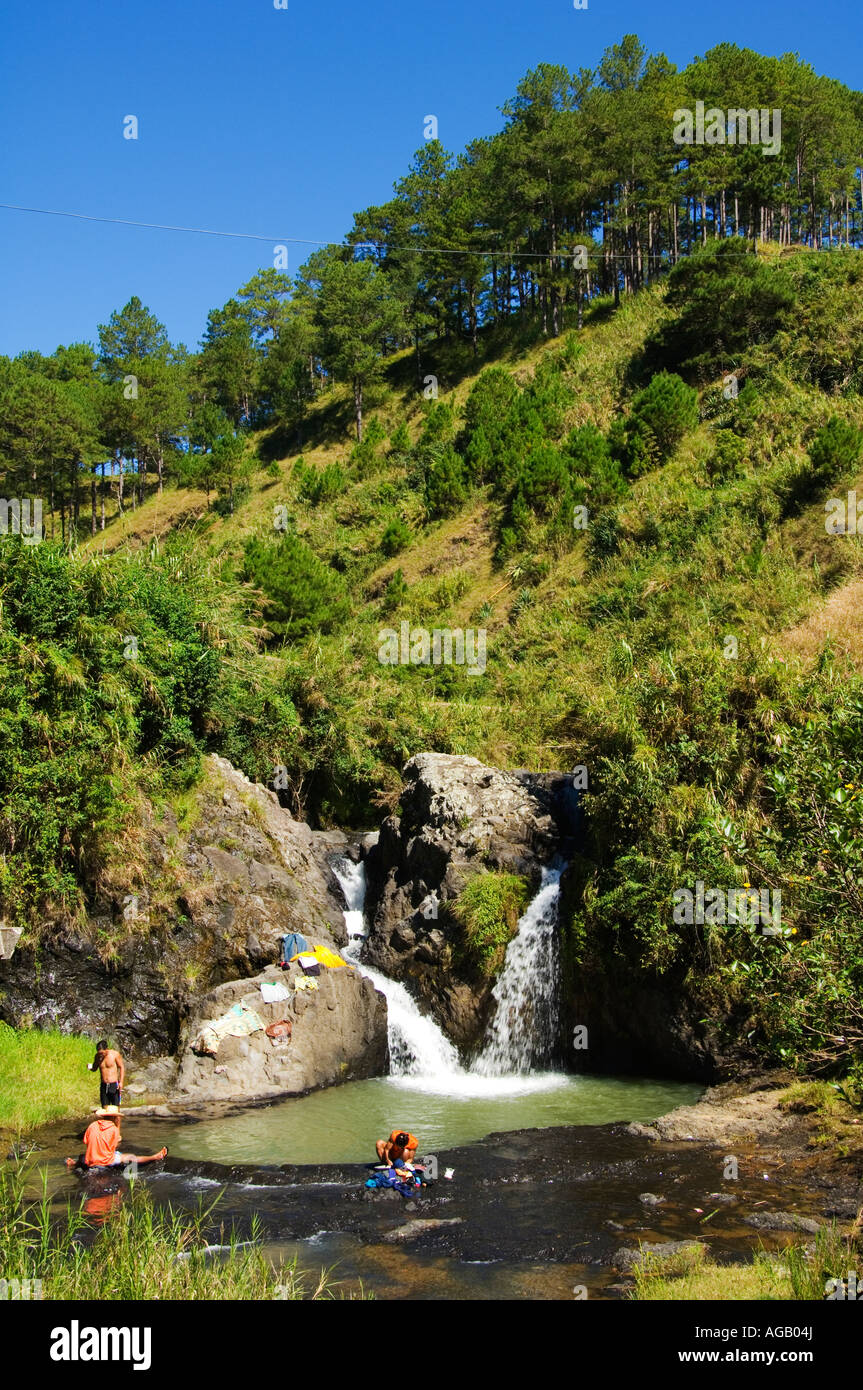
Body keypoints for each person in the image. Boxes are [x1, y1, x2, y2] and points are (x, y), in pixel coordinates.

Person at [65, 1107, 167, 1172]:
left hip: (90, 1160)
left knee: (84, 1156)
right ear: (115, 1118)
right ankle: (154, 1157)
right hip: (104, 1162)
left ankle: (74, 1164)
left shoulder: (93, 1125)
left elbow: (86, 1142)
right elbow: (113, 1148)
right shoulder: (113, 1129)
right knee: (130, 1157)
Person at [89, 1040, 125, 1109]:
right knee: (105, 1109)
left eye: (102, 1053)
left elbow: (121, 1067)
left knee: (115, 1109)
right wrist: (90, 1067)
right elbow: (94, 1068)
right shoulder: (97, 1057)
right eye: (99, 1053)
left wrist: (121, 1082)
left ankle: (117, 1120)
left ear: (107, 1049)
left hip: (114, 1085)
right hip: (104, 1086)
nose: (101, 1055)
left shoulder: (115, 1054)